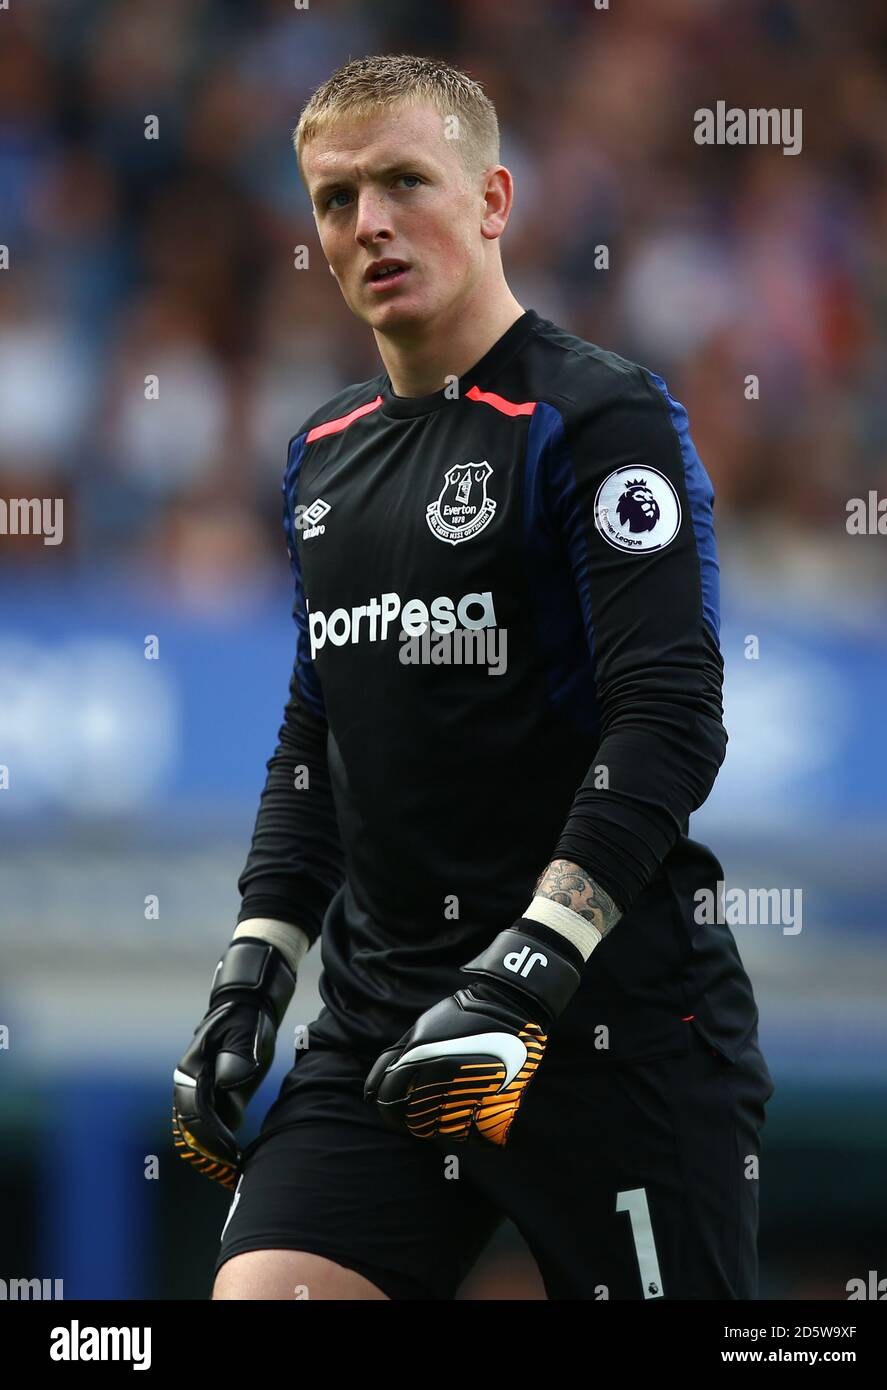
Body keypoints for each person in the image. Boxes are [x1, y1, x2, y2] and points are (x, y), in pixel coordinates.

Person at [172, 52, 774, 1301]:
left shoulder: (598, 419)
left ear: (494, 200)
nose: (372, 222)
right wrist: (255, 968)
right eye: (338, 200)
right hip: (385, 1029)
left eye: (406, 181)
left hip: (607, 1031)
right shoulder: (321, 455)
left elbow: (670, 715)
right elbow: (314, 735)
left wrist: (531, 960)